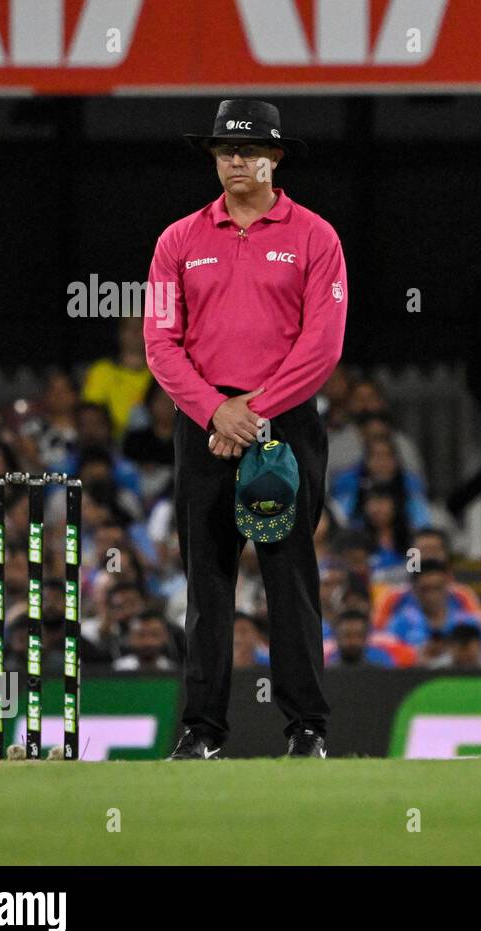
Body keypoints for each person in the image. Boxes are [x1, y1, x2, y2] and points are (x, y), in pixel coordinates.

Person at [145, 99, 347, 759]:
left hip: (282, 422)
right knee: (206, 579)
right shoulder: (177, 240)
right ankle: (200, 731)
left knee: (289, 574)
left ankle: (307, 727)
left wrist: (250, 412)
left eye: (249, 149)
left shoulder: (316, 236)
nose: (235, 160)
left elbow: (322, 345)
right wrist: (215, 410)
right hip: (206, 424)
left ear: (276, 157)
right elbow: (159, 341)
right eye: (225, 150)